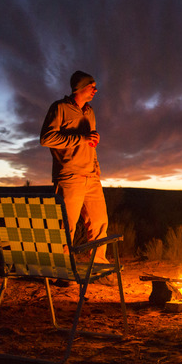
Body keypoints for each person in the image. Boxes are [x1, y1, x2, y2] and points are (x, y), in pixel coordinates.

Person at [40, 70, 111, 270]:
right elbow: (46, 139)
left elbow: (91, 143)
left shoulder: (89, 112)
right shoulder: (59, 108)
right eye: (92, 86)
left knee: (99, 224)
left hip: (92, 177)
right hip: (70, 177)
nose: (95, 90)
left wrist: (96, 166)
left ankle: (98, 267)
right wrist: (81, 138)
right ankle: (62, 271)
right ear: (80, 88)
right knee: (65, 228)